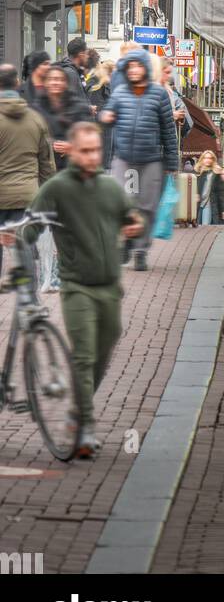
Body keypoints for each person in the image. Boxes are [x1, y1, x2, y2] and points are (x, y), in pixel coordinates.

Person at [29, 121, 143, 459]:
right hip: (76, 284)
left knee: (103, 353)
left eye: (96, 150)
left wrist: (135, 225)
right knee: (83, 355)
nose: (93, 157)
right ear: (73, 152)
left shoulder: (110, 187)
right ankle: (85, 429)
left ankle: (78, 412)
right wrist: (17, 240)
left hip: (109, 287)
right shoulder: (57, 188)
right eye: (86, 151)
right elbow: (32, 224)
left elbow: (130, 216)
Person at [98, 50, 179, 271]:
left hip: (151, 160)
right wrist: (104, 118)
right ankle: (125, 240)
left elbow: (168, 130)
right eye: (130, 67)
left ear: (145, 68)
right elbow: (105, 117)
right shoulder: (120, 93)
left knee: (147, 206)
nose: (134, 70)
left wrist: (172, 162)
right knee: (122, 203)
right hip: (123, 158)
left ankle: (141, 250)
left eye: (138, 66)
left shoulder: (158, 94)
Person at [0, 63, 55, 275]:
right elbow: (46, 163)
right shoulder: (35, 118)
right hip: (27, 194)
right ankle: (29, 293)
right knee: (24, 247)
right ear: (17, 83)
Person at [32, 64, 93, 170]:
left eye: (60, 79)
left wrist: (72, 146)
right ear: (45, 82)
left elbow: (90, 137)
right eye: (51, 79)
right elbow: (31, 136)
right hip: (44, 166)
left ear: (66, 83)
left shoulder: (78, 107)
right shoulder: (36, 108)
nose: (55, 83)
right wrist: (49, 145)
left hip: (72, 167)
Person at [195, 150, 224, 226]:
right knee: (197, 227)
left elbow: (222, 192)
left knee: (205, 226)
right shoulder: (197, 172)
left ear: (213, 160)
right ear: (202, 159)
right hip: (197, 203)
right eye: (206, 158)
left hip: (209, 203)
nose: (208, 160)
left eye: (210, 158)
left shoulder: (216, 173)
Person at [56, 35, 91, 109]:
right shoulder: (71, 73)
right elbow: (71, 103)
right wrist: (88, 109)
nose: (87, 57)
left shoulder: (75, 71)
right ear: (81, 54)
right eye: (86, 53)